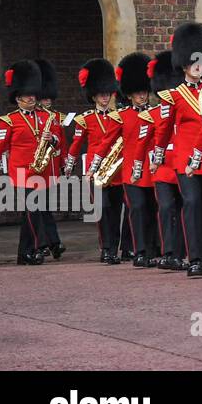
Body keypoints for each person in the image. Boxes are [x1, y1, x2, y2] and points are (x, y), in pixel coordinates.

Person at [152, 22, 202, 278]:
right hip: (185, 160)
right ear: (183, 65)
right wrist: (158, 155)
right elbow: (164, 129)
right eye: (193, 62)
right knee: (191, 203)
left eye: (201, 62)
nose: (198, 67)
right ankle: (194, 259)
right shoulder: (173, 96)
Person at [67, 58, 126, 263]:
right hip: (96, 170)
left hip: (116, 170)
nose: (104, 97)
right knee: (103, 210)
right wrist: (69, 163)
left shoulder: (117, 116)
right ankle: (106, 248)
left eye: (107, 94)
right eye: (101, 94)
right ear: (93, 96)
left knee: (117, 210)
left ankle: (115, 249)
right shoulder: (85, 119)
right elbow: (76, 144)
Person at [0, 60, 57, 265]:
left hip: (40, 171)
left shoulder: (44, 117)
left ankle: (23, 254)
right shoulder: (9, 121)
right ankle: (37, 247)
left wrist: (53, 140)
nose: (32, 98)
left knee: (30, 214)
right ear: (18, 98)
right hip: (22, 171)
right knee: (33, 210)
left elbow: (55, 143)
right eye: (27, 95)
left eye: (33, 94)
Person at [118, 51, 161, 268]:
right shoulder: (122, 116)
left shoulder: (155, 113)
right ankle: (139, 251)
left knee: (153, 210)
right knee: (137, 209)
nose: (142, 96)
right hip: (131, 171)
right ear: (129, 95)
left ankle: (153, 249)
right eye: (138, 93)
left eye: (144, 92)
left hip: (152, 169)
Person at [147, 52, 186, 271]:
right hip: (162, 166)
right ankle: (168, 251)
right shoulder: (156, 111)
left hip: (180, 162)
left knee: (182, 208)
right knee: (166, 208)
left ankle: (180, 252)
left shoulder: (184, 106)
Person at [34, 59, 67, 260]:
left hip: (50, 167)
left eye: (49, 99)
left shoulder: (54, 117)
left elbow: (61, 141)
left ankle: (50, 243)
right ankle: (49, 243)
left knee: (44, 207)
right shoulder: (34, 117)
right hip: (34, 167)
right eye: (44, 99)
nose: (48, 102)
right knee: (38, 207)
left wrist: (62, 165)